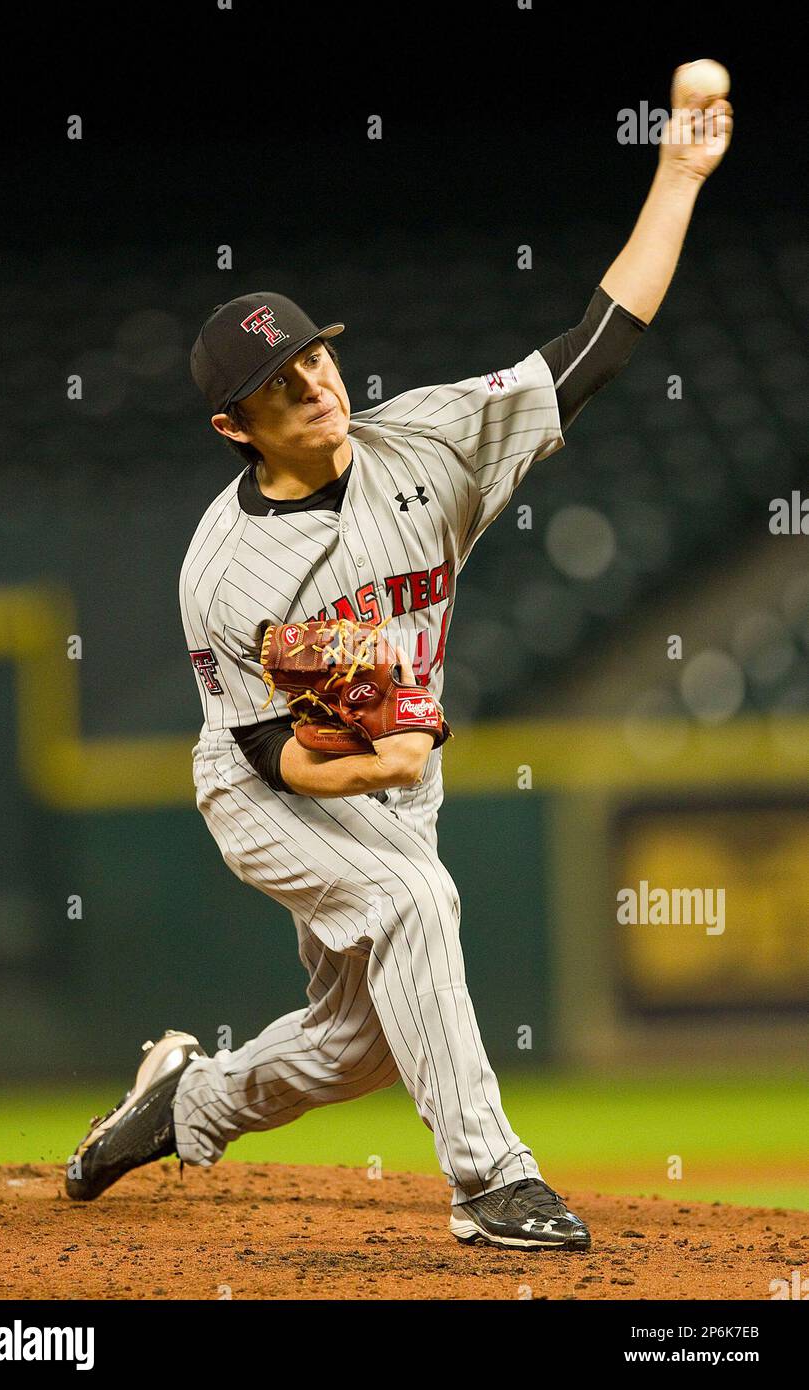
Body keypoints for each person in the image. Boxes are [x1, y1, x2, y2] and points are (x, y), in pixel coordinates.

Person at [65, 80, 732, 1250]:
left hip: (389, 779)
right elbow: (273, 753)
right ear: (235, 426)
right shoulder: (221, 573)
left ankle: (186, 1101)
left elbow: (596, 345)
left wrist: (673, 175)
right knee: (414, 896)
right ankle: (490, 1180)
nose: (313, 385)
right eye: (278, 386)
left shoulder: (421, 441)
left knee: (360, 1041)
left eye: (314, 359)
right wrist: (386, 759)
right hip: (269, 789)